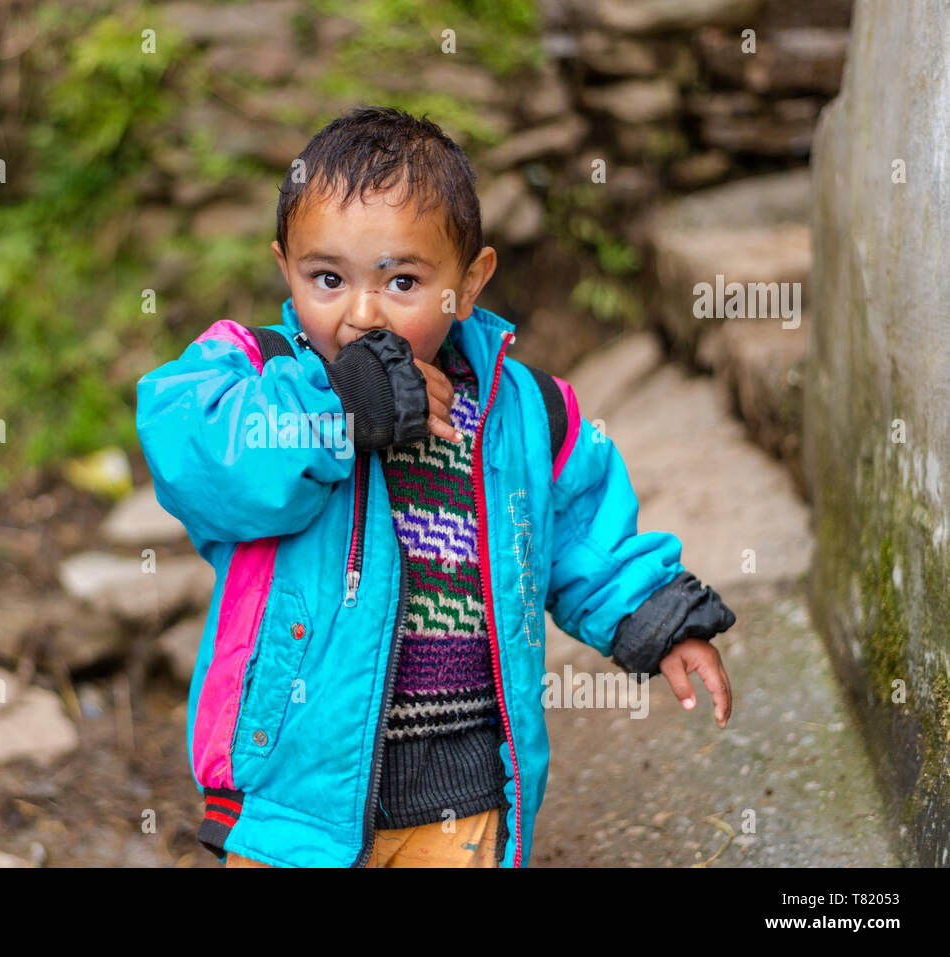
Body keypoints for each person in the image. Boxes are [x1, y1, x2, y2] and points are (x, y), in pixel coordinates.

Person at [135, 105, 736, 868]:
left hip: (466, 792)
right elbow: (195, 452)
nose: (361, 313)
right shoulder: (261, 376)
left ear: (470, 281)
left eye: (403, 280)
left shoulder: (524, 412)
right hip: (297, 794)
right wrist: (343, 410)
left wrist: (659, 618)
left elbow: (585, 537)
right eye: (328, 278)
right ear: (284, 266)